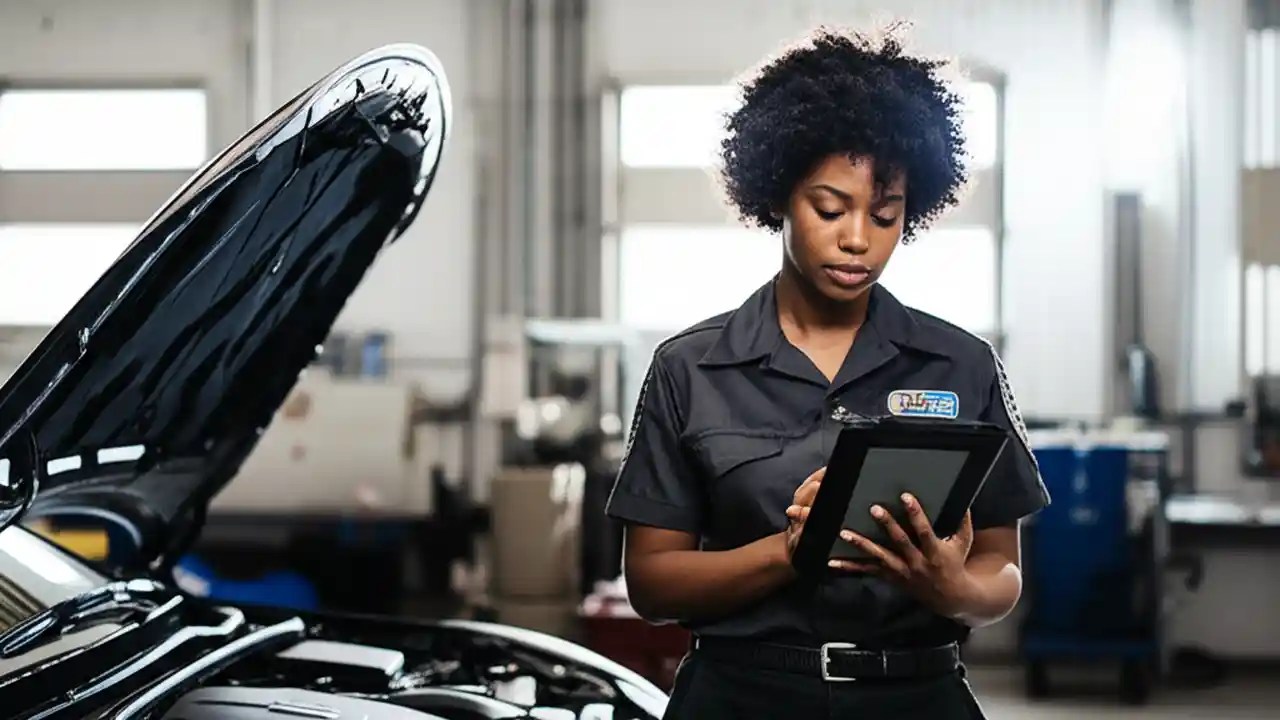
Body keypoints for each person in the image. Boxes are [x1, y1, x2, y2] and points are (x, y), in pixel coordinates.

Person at [605, 23, 1050, 720]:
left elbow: (1003, 568)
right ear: (779, 195)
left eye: (885, 215)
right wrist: (789, 553)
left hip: (916, 698)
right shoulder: (689, 369)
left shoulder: (963, 365)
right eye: (830, 207)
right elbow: (653, 584)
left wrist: (951, 587)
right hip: (739, 700)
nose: (857, 239)